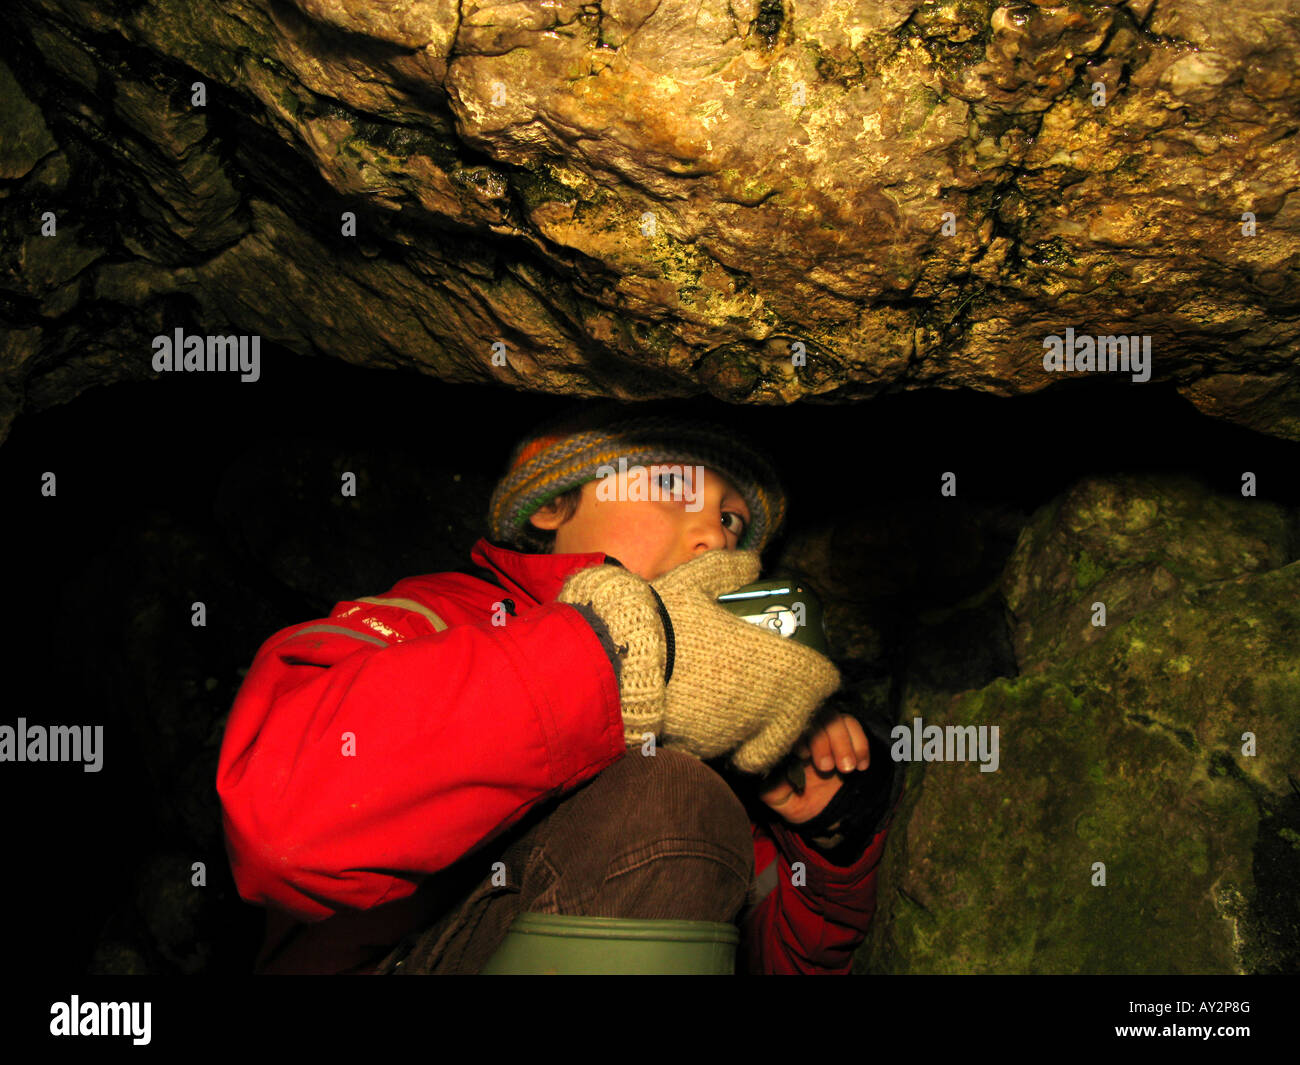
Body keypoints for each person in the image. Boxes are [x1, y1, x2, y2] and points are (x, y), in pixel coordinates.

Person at [216, 401, 903, 974]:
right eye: (671, 487)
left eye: (731, 519)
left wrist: (828, 839)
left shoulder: (718, 721)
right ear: (553, 503)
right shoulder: (435, 618)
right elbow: (278, 822)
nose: (714, 539)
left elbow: (767, 959)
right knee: (670, 794)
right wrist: (613, 657)